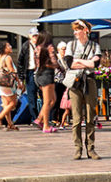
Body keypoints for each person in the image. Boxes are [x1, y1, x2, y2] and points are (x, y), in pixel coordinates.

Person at [65, 20, 102, 159]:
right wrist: (86, 63)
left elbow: (95, 64)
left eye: (77, 29)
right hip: (75, 83)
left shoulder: (94, 46)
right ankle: (78, 148)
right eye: (74, 30)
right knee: (76, 118)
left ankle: (91, 148)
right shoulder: (71, 45)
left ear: (85, 30)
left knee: (90, 116)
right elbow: (69, 63)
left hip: (89, 81)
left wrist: (79, 62)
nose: (75, 32)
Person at [30, 30, 59, 133]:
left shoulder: (37, 49)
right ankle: (46, 126)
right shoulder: (49, 48)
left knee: (53, 99)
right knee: (47, 101)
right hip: (47, 74)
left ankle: (39, 119)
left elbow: (35, 63)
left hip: (38, 75)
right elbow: (54, 62)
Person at [0, 41, 22, 130]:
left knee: (6, 104)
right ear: (4, 48)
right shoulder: (8, 58)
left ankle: (10, 124)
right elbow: (12, 71)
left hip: (0, 83)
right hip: (7, 83)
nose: (11, 47)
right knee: (13, 103)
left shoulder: (0, 57)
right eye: (8, 46)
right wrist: (19, 82)